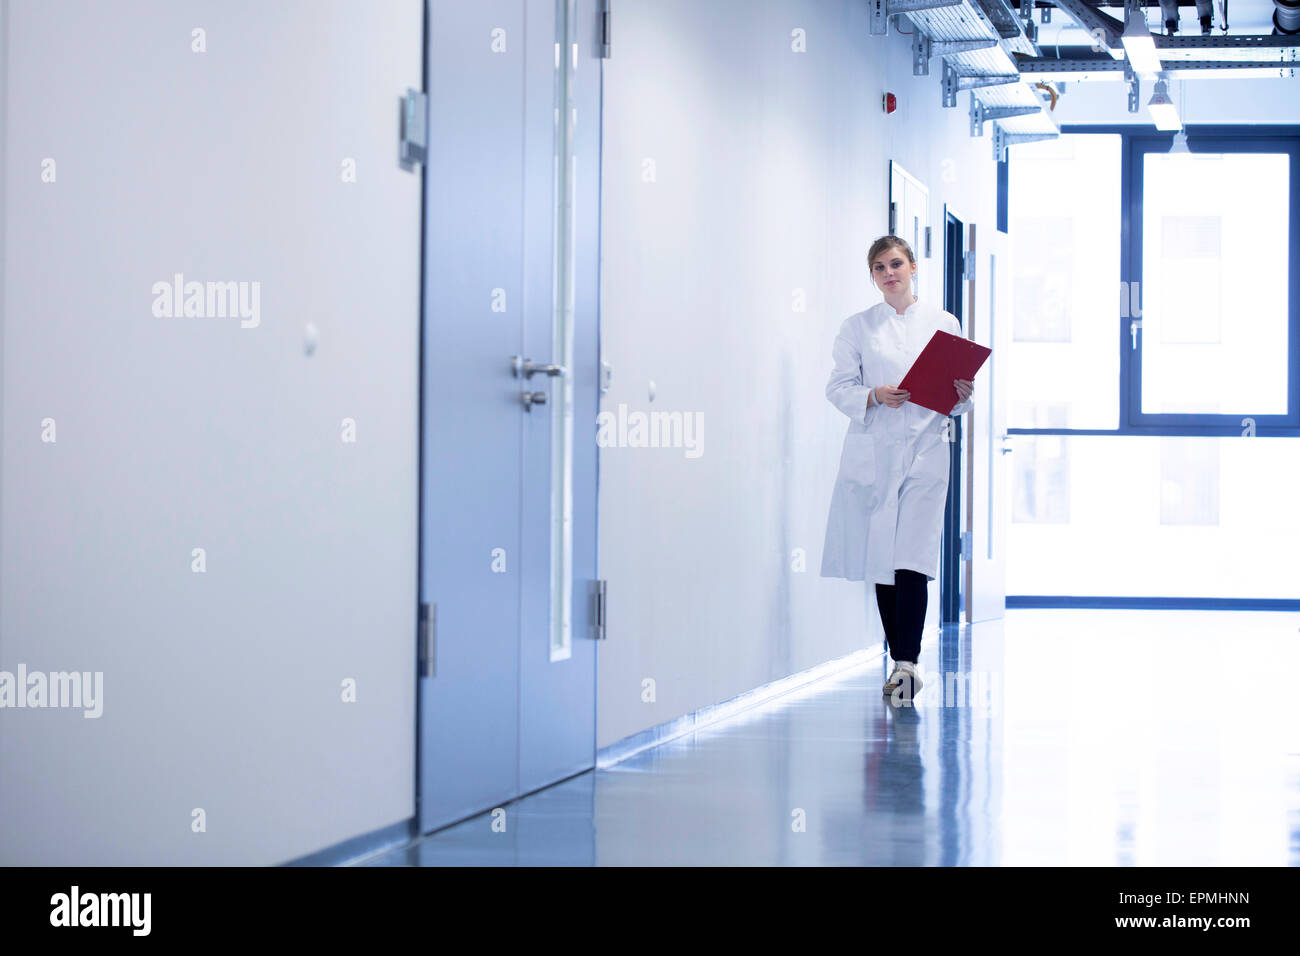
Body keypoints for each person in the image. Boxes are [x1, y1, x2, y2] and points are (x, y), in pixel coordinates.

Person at [820, 235, 975, 703]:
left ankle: (906, 664)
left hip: (928, 451)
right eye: (879, 268)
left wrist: (963, 396)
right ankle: (900, 661)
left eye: (896, 264)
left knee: (913, 560)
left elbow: (960, 396)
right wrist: (873, 395)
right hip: (876, 451)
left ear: (912, 268)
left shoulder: (943, 322)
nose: (889, 273)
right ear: (873, 276)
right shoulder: (857, 327)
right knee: (882, 561)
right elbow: (838, 386)